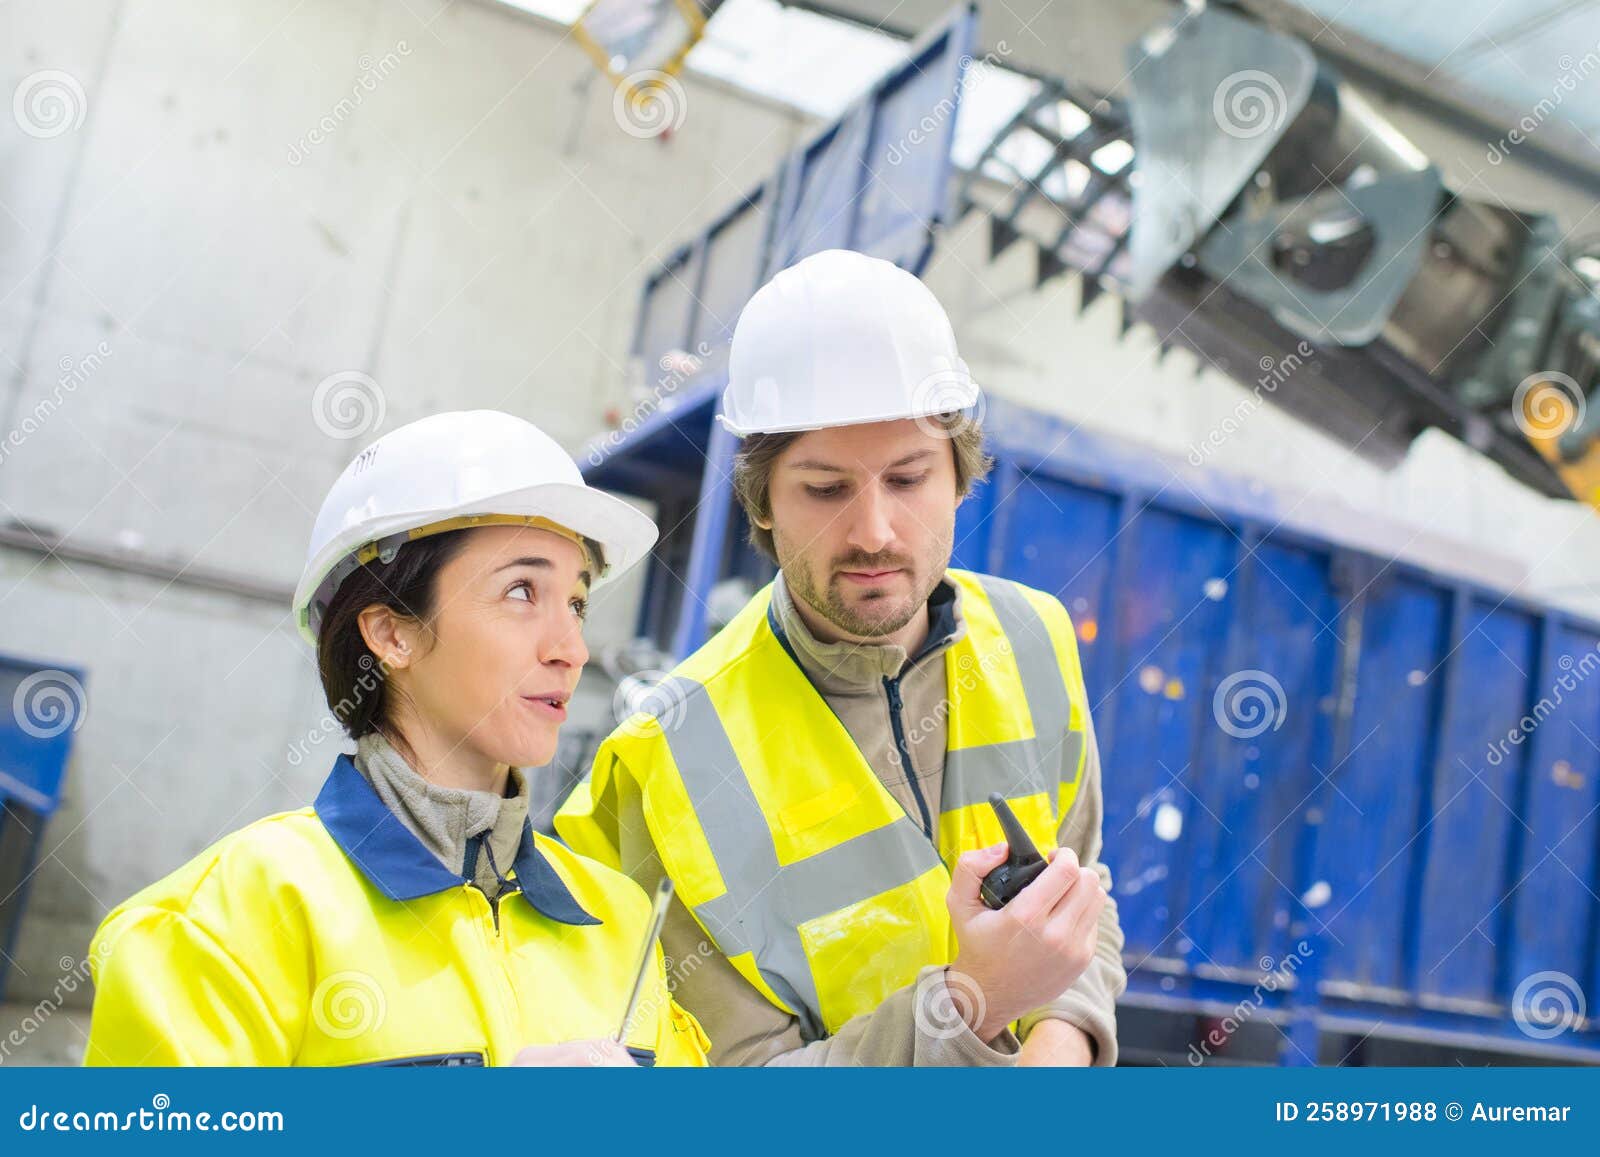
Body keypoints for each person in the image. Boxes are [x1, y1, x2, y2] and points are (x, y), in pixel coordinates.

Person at [558, 249, 1127, 1066]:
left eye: (908, 477)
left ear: (961, 477)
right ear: (763, 501)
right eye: (826, 489)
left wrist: (1059, 1043)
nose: (875, 533)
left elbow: (1081, 901)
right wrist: (968, 1006)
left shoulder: (1032, 639)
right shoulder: (669, 758)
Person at [85, 410, 709, 1067]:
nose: (572, 648)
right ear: (391, 632)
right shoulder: (232, 916)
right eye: (523, 591)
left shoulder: (619, 920)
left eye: (577, 603)